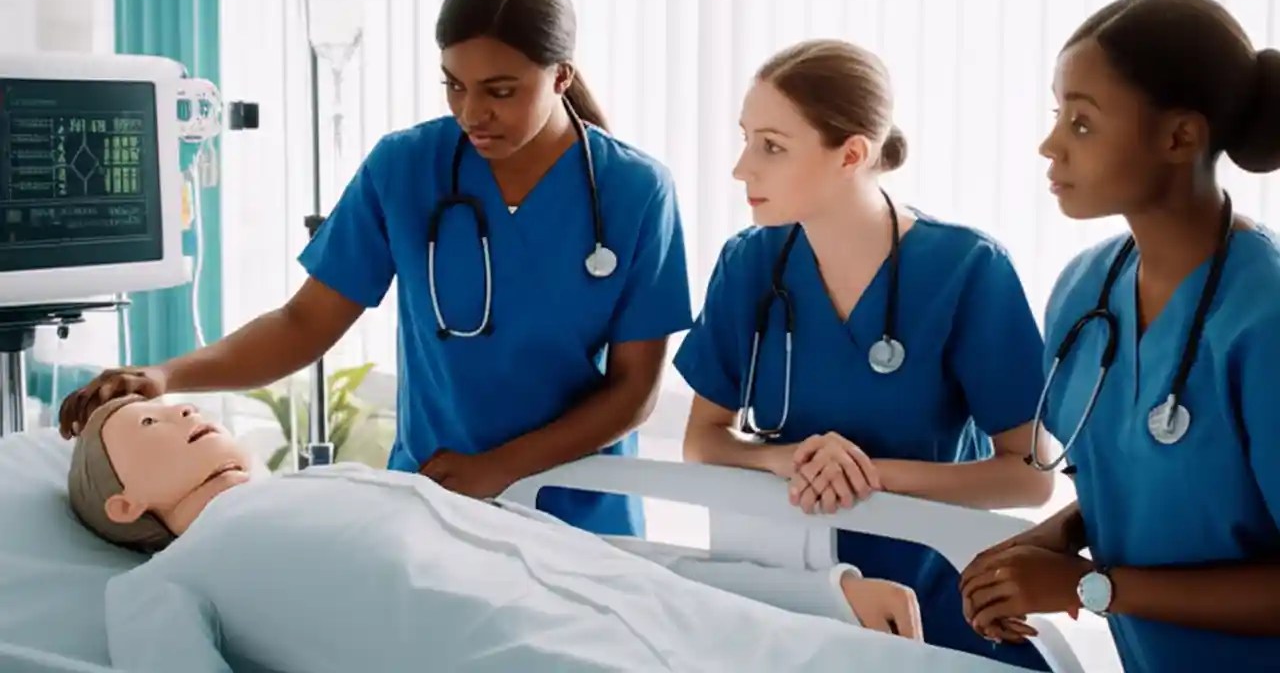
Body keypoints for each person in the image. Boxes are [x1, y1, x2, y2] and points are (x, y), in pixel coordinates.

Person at [57, 0, 693, 538]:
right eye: (454, 86)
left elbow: (633, 391)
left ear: (561, 77)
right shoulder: (406, 168)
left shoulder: (634, 191)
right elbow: (302, 324)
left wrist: (498, 469)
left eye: (500, 91)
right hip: (435, 497)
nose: (472, 113)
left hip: (583, 511)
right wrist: (167, 376)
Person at [66, 395, 1032, 673]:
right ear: (122, 506)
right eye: (145, 425)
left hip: (714, 637)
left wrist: (816, 595)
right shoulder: (164, 582)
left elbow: (585, 558)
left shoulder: (352, 481)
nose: (182, 414)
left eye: (179, 405)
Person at [673, 39, 1057, 670]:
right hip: (794, 591)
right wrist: (788, 460)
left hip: (937, 595)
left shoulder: (966, 270)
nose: (742, 168)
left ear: (851, 154)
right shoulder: (749, 264)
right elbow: (703, 440)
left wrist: (870, 475)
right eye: (745, 139)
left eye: (770, 145)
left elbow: (1029, 476)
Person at [959, 0, 1280, 672]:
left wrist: (1088, 586)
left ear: (1179, 137)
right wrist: (1051, 541)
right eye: (1058, 115)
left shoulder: (1266, 317)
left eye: (1081, 123)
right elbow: (1129, 471)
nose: (1050, 146)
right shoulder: (1084, 292)